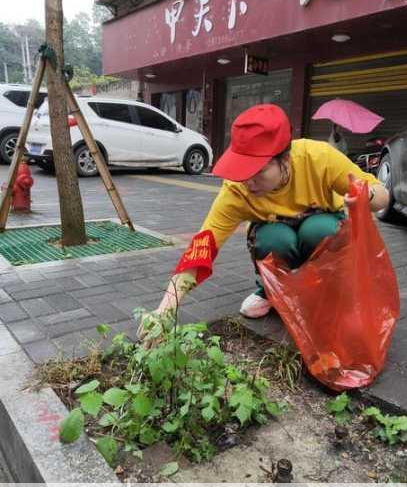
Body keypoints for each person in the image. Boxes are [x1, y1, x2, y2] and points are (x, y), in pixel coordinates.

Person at [137, 104, 390, 341]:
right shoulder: (237, 190)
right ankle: (272, 291)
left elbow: (383, 196)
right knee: (273, 239)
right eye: (242, 169)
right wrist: (165, 311)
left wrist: (364, 197)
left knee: (320, 230)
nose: (248, 181)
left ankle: (329, 292)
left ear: (286, 160)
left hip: (322, 226)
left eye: (258, 172)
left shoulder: (319, 158)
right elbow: (201, 249)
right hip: (276, 233)